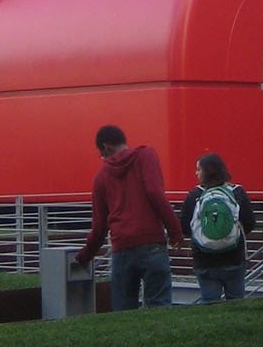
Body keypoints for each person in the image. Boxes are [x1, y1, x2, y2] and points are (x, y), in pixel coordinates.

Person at [73, 125, 182, 310]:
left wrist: (84, 256)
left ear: (106, 147)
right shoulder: (147, 156)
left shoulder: (101, 177)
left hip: (121, 248)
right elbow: (155, 192)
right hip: (152, 244)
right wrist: (175, 231)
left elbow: (99, 227)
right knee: (160, 306)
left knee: (123, 310)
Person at [178, 151, 257, 304]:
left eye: (198, 169)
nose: (196, 173)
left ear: (206, 171)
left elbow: (185, 227)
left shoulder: (195, 195)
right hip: (234, 258)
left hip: (204, 260)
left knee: (209, 303)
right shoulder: (237, 192)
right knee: (236, 302)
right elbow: (249, 223)